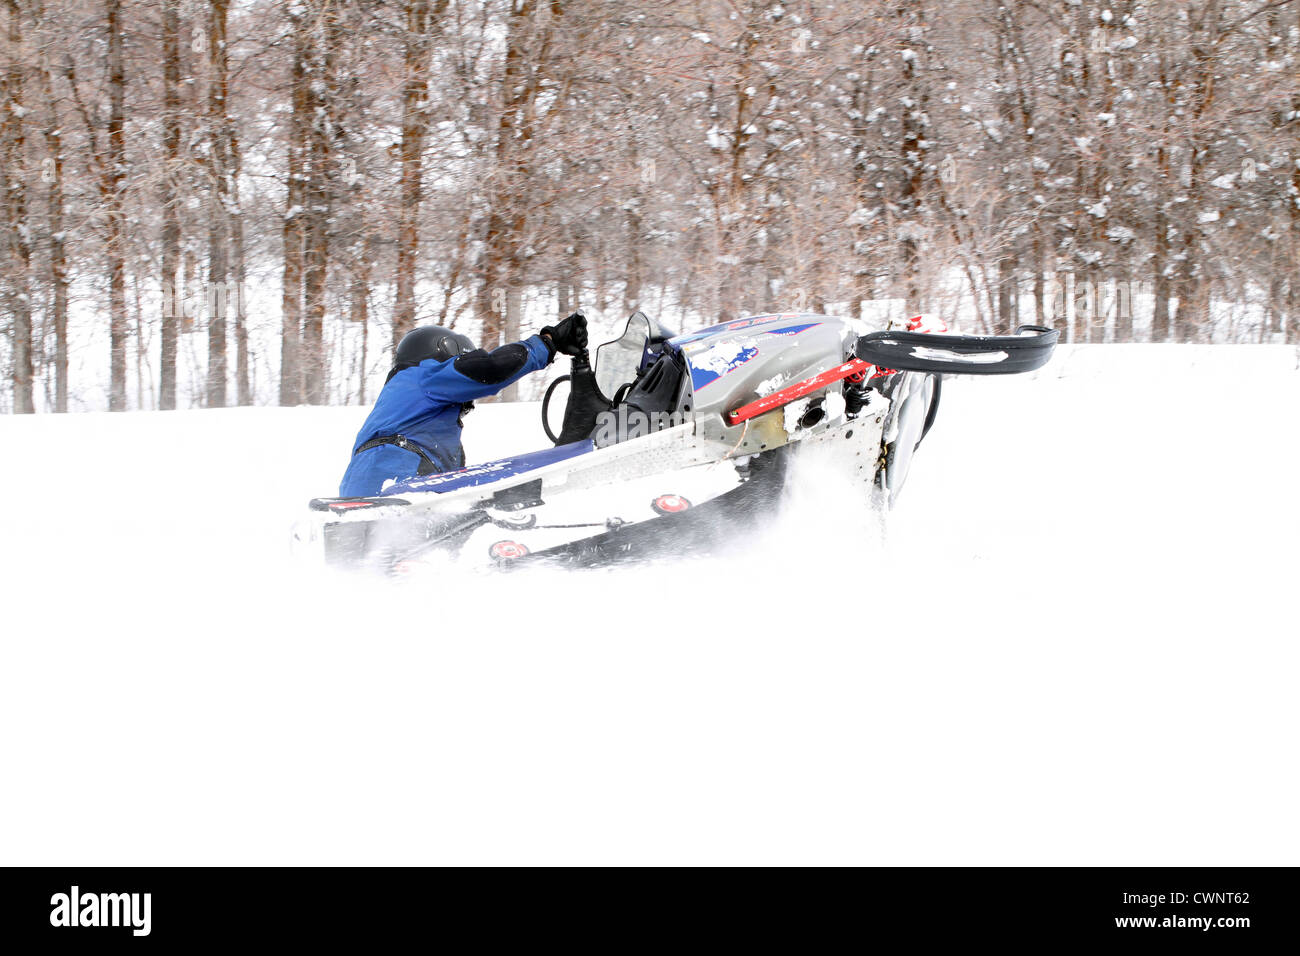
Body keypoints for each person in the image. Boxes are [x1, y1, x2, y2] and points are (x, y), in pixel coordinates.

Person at [339, 312, 588, 497]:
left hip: (367, 486)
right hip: (394, 476)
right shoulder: (425, 376)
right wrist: (548, 342)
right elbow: (491, 369)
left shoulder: (407, 405)